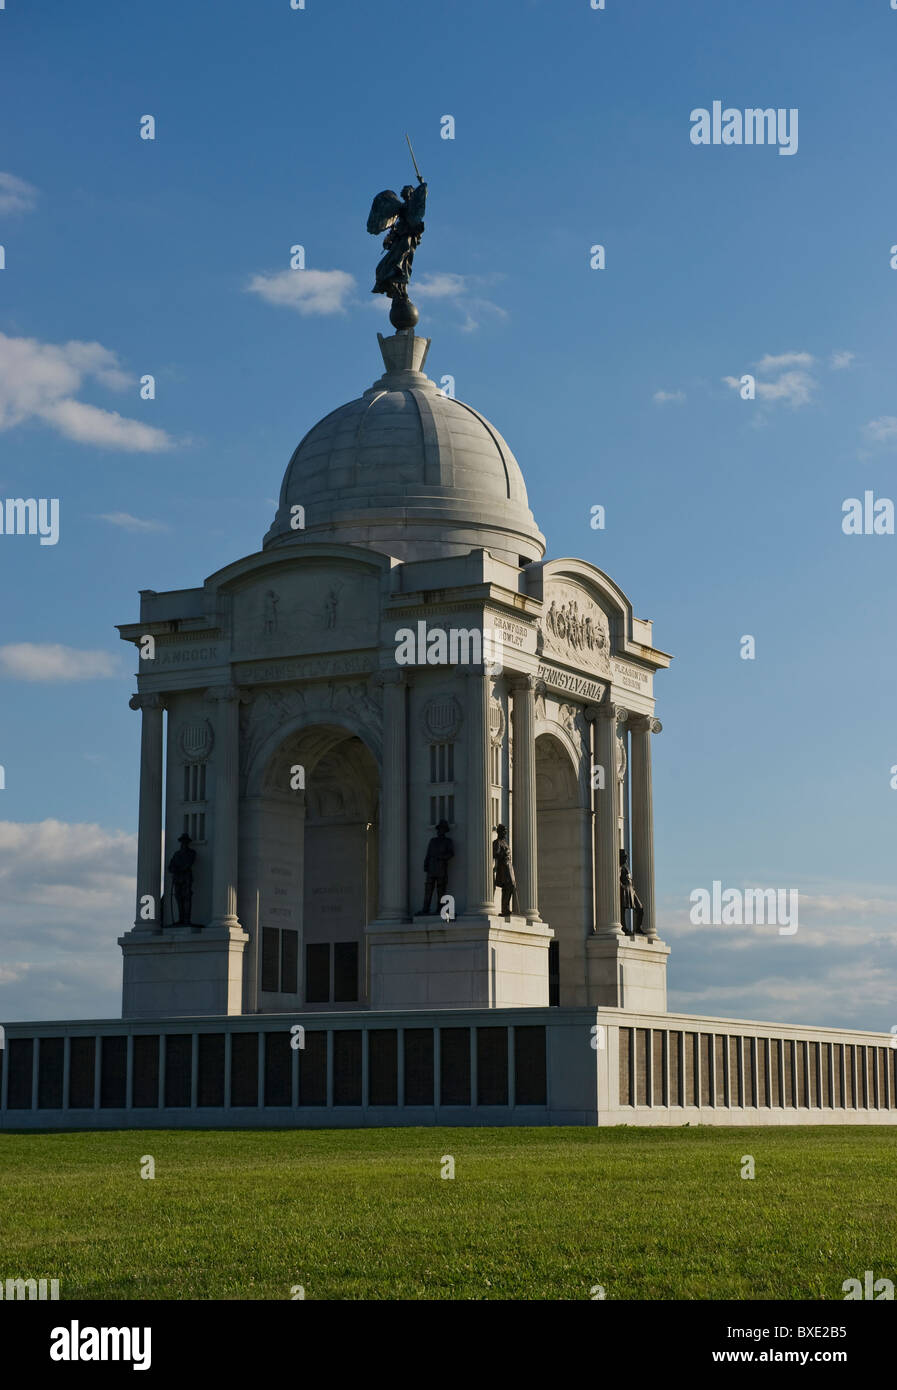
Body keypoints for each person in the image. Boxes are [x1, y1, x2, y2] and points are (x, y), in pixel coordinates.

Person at [422, 819, 454, 914]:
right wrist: (426, 864)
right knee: (428, 889)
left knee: (441, 890)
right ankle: (425, 909)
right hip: (431, 868)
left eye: (441, 829)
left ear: (444, 830)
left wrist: (441, 857)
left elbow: (451, 854)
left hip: (441, 868)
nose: (439, 831)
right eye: (439, 829)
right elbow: (428, 853)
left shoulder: (448, 841)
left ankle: (440, 909)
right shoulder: (433, 841)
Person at [168, 832, 196, 926]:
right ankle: (180, 919)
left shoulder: (191, 853)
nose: (183, 844)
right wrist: (173, 869)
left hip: (186, 878)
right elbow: (170, 866)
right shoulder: (177, 854)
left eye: (185, 842)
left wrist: (178, 869)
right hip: (177, 879)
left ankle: (187, 919)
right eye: (182, 842)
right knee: (178, 899)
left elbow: (189, 864)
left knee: (187, 898)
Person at [492, 824, 517, 916]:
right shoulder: (497, 842)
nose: (505, 834)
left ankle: (506, 907)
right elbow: (495, 854)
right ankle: (504, 908)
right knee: (507, 886)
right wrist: (504, 854)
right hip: (503, 867)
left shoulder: (505, 843)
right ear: (499, 832)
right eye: (503, 832)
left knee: (511, 886)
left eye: (505, 832)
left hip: (508, 867)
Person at [619, 848, 645, 935]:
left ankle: (638, 927)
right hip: (625, 890)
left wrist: (632, 889)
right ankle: (624, 928)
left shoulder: (626, 867)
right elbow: (617, 879)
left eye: (626, 857)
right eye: (624, 857)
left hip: (631, 890)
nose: (626, 859)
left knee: (640, 907)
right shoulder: (619, 868)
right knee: (623, 909)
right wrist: (622, 887)